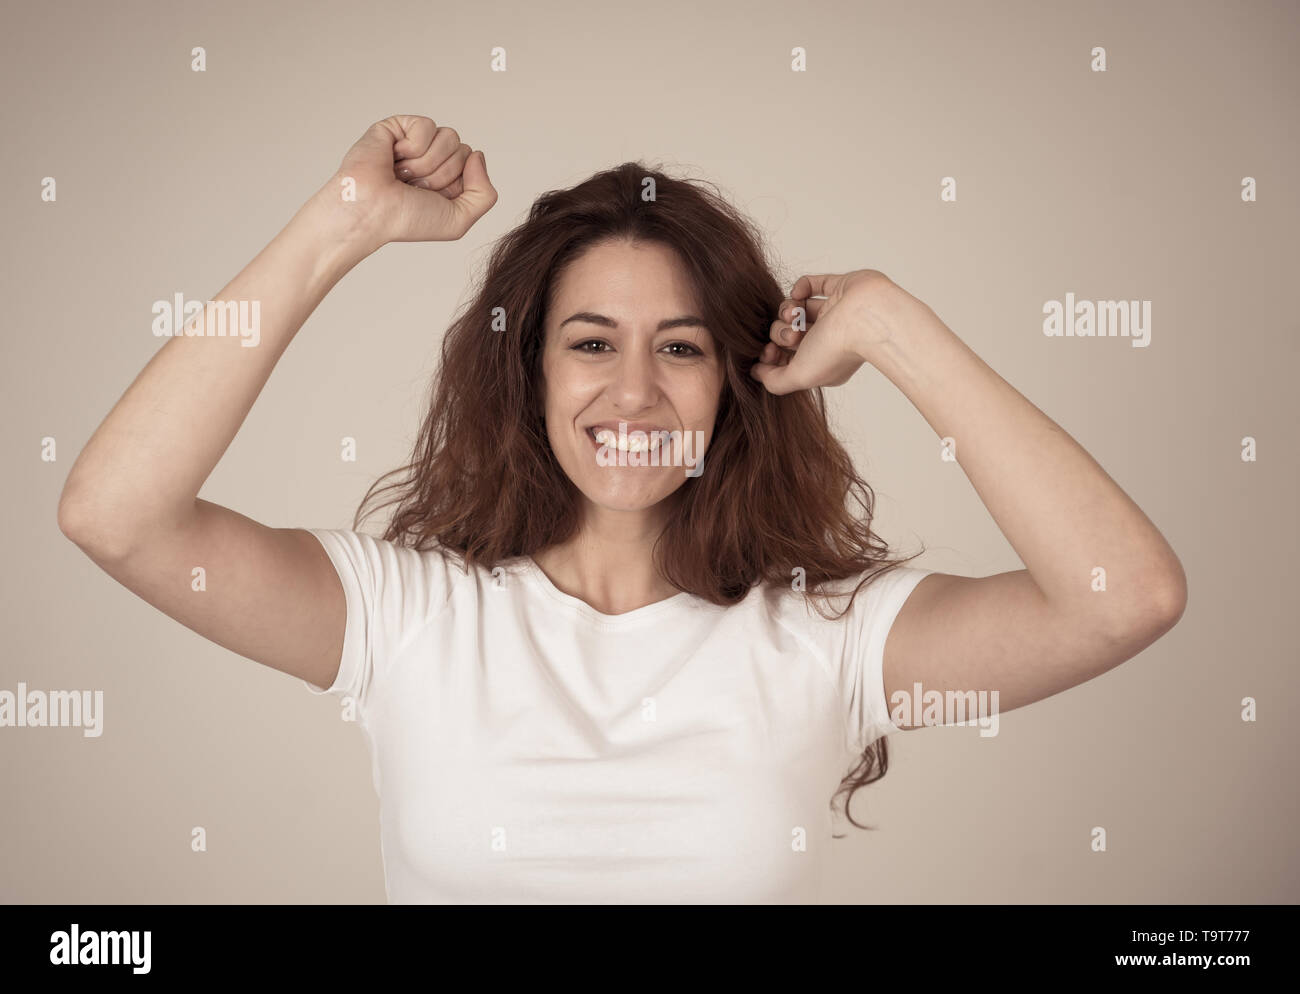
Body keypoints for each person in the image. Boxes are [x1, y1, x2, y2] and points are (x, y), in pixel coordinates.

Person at [57, 114, 1187, 903]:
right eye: (591, 343)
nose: (635, 390)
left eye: (682, 349)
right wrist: (343, 220)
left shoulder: (826, 639)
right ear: (530, 374)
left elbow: (1122, 599)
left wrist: (892, 326)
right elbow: (118, 513)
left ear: (739, 381)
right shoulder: (410, 613)